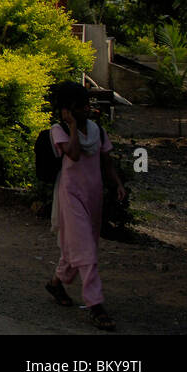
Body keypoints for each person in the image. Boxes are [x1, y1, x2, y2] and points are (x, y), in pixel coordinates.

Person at [44, 82, 126, 331]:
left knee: (77, 247)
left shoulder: (97, 131)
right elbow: (75, 154)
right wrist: (71, 125)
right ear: (67, 110)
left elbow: (106, 162)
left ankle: (56, 283)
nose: (87, 110)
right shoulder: (59, 131)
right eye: (81, 107)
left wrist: (118, 185)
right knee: (86, 250)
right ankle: (95, 303)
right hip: (71, 196)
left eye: (87, 105)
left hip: (93, 196)